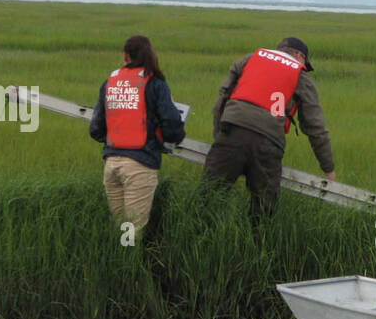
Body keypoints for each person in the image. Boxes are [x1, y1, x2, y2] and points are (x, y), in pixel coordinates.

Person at [201, 36, 335, 219]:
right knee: (263, 211)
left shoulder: (250, 59)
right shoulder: (301, 76)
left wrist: (219, 136)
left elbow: (222, 98)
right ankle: (258, 236)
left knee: (208, 198)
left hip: (231, 131)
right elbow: (315, 127)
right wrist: (329, 169)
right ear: (299, 55)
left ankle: (197, 234)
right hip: (268, 142)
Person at [89, 35, 186, 232]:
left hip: (111, 165)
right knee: (133, 230)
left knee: (119, 227)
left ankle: (117, 252)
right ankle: (130, 253)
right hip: (140, 165)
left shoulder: (110, 82)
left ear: (126, 56)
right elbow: (172, 123)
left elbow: (96, 128)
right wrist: (169, 139)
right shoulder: (155, 83)